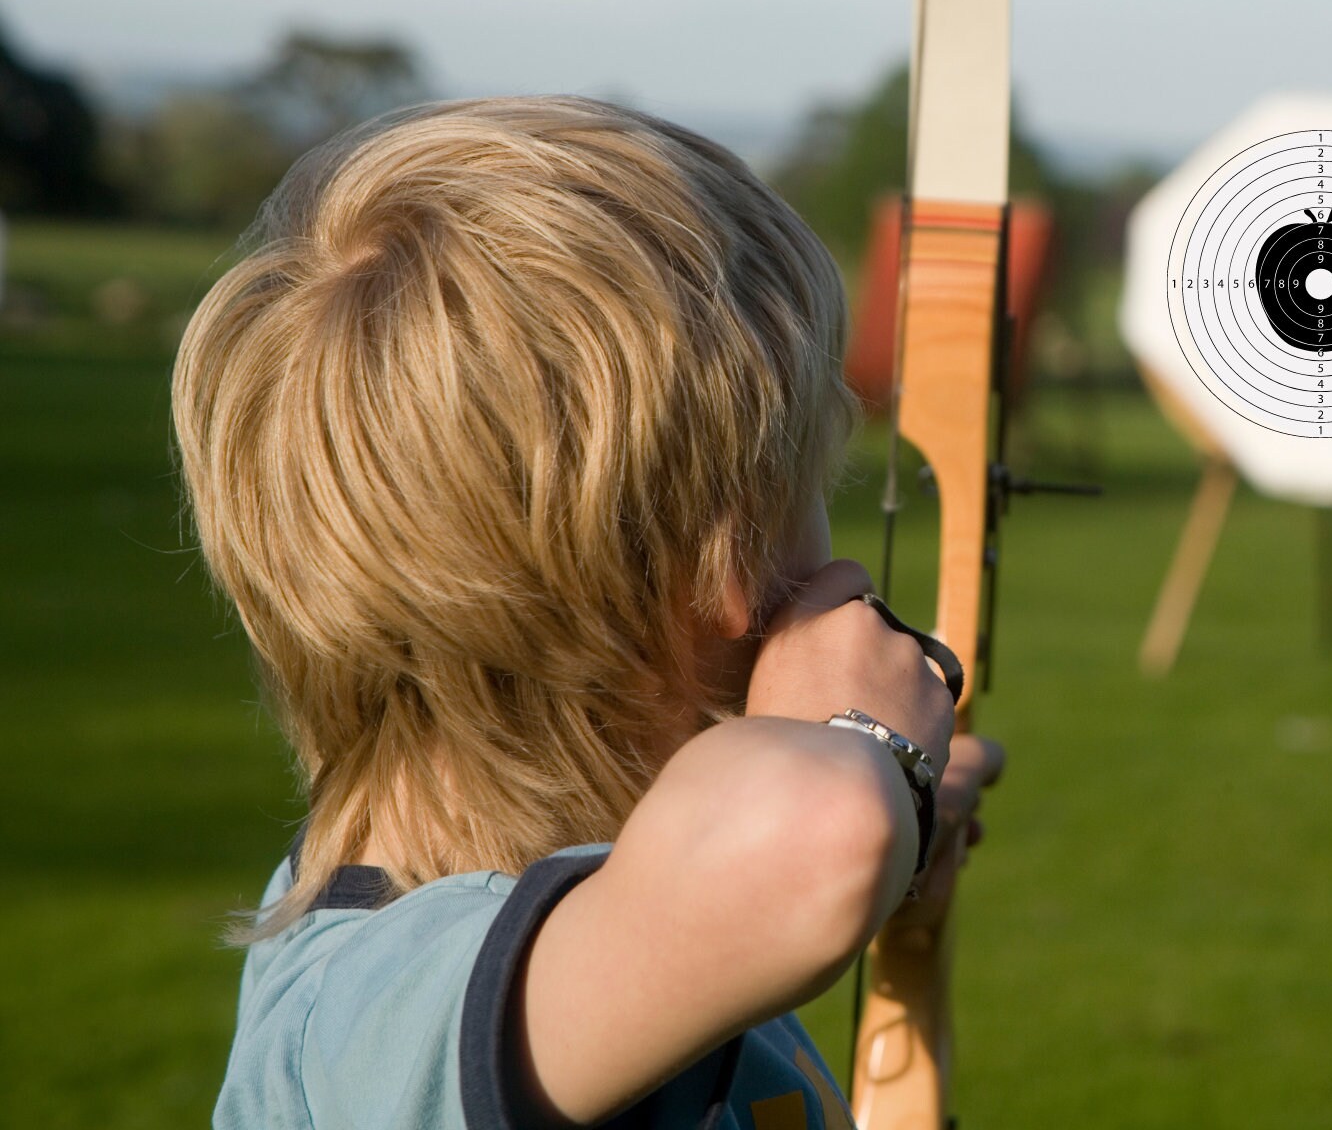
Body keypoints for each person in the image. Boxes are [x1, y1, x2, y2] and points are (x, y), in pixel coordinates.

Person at [174, 96, 1001, 1129]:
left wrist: (902, 811)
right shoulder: (382, 1019)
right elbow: (819, 836)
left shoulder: (613, 906)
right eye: (807, 487)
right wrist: (874, 754)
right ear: (726, 552)